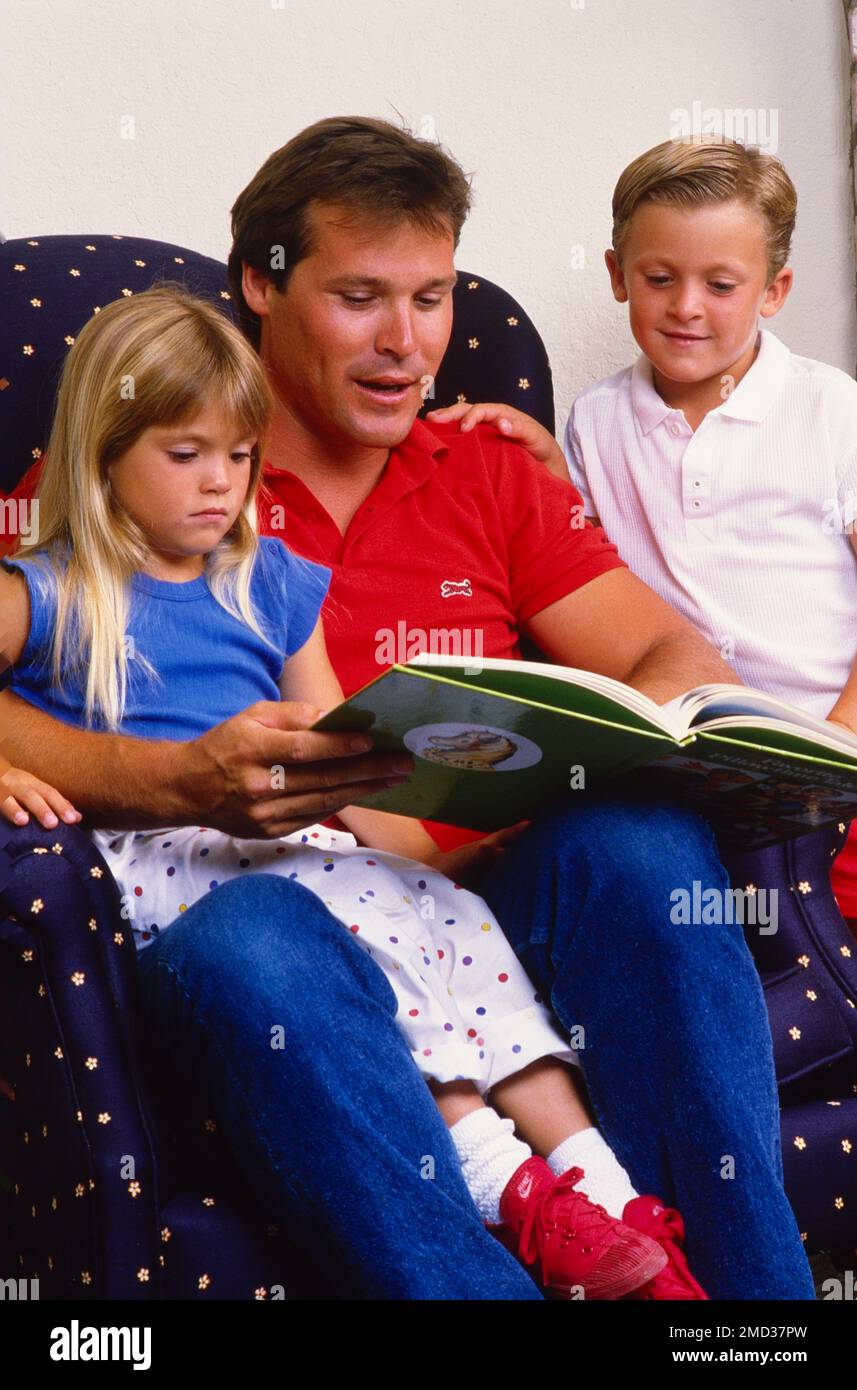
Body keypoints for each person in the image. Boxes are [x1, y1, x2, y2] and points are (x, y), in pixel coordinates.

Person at [0, 117, 814, 1299]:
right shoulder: (152, 470)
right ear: (260, 289)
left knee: (640, 848)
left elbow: (665, 649)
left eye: (430, 300)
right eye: (360, 298)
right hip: (249, 906)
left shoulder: (489, 468)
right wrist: (169, 781)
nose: (405, 345)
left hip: (484, 889)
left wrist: (570, 761)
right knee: (255, 935)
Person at [436, 137, 857, 919]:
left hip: (825, 759)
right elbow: (592, 568)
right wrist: (546, 470)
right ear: (616, 275)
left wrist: (838, 740)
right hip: (684, 762)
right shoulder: (597, 418)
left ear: (774, 289)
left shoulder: (831, 410)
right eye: (658, 278)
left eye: (720, 284)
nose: (685, 306)